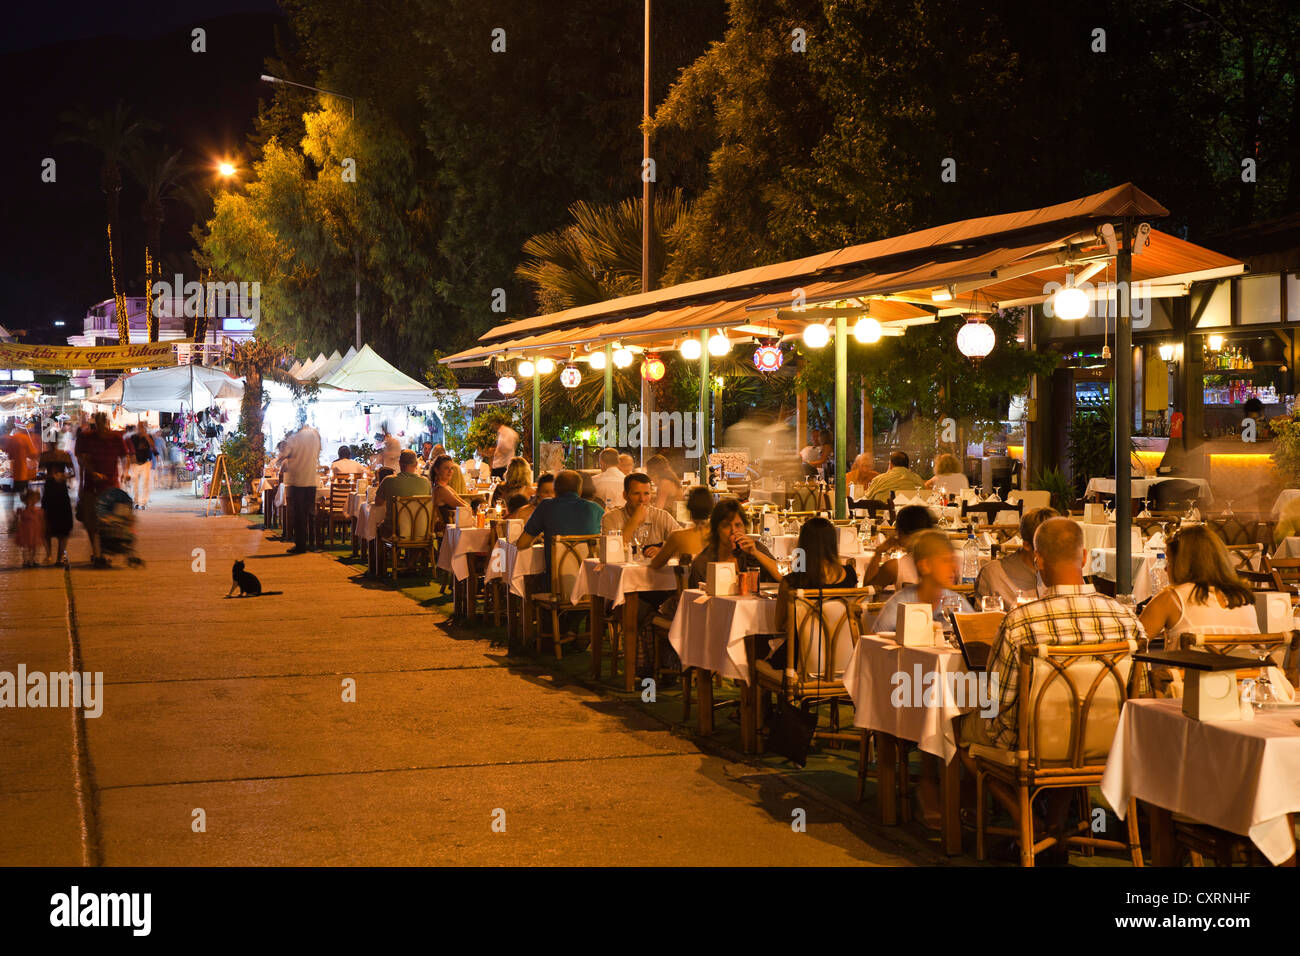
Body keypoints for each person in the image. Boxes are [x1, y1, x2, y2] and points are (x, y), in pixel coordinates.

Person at [1139, 524, 1258, 646]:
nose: (1165, 568)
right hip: (1244, 665)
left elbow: (1130, 647)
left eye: (1169, 561)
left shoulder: (1172, 598)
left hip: (1188, 665)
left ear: (1181, 564)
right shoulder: (1244, 599)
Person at [870, 531, 973, 632]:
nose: (954, 567)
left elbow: (978, 635)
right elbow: (872, 644)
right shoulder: (901, 603)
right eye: (945, 561)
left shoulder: (955, 603)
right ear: (925, 566)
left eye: (954, 560)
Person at [774, 516, 859, 633]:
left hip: (803, 649)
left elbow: (779, 626)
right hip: (845, 648)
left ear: (803, 544)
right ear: (833, 543)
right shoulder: (850, 575)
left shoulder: (792, 582)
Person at [517, 469, 604, 578]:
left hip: (555, 583)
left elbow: (521, 544)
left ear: (555, 491)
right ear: (580, 490)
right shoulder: (596, 509)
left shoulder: (546, 506)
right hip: (591, 581)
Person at [973, 507, 1058, 608]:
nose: (1054, 554)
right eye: (1046, 548)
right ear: (1026, 545)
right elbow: (984, 620)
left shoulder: (1065, 571)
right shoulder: (994, 574)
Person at [687, 498, 781, 589]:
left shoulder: (755, 548)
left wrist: (756, 553)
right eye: (726, 526)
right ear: (716, 530)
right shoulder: (703, 563)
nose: (733, 531)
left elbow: (783, 578)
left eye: (738, 525)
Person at [74, 412, 127, 567]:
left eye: (104, 422)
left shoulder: (116, 438)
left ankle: (102, 553)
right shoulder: (86, 437)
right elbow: (80, 458)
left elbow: (124, 457)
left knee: (108, 522)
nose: (102, 425)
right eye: (99, 422)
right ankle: (97, 553)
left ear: (107, 423)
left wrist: (125, 472)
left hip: (111, 485)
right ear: (95, 423)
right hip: (91, 486)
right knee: (91, 522)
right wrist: (92, 472)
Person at [600, 472, 680, 554]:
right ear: (625, 495)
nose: (642, 499)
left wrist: (663, 551)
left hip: (654, 566)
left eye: (646, 493)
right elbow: (611, 552)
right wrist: (634, 521)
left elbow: (683, 544)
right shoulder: (610, 518)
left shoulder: (662, 516)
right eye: (636, 493)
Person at [862, 504, 936, 590]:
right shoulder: (945, 561)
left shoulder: (895, 567)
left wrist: (878, 552)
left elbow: (867, 590)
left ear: (901, 531)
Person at [283, 422, 322, 554]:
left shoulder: (295, 438)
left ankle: (301, 545)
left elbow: (286, 454)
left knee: (299, 515)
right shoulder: (315, 436)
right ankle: (313, 543)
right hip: (311, 479)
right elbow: (318, 453)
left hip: (299, 480)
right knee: (311, 513)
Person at [375, 450, 433, 537]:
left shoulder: (388, 480)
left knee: (379, 526)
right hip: (420, 530)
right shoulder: (426, 482)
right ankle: (414, 550)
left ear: (399, 463)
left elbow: (378, 503)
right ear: (416, 464)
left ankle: (388, 551)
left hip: (395, 530)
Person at [39, 445, 74, 565]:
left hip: (58, 490)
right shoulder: (50, 456)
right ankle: (52, 556)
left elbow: (71, 472)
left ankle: (56, 556)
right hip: (53, 490)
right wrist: (57, 476)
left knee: (61, 525)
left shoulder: (57, 455)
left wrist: (61, 476)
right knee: (49, 524)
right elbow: (40, 473)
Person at [430, 455, 471, 531]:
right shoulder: (441, 490)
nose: (450, 471)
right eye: (446, 468)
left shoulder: (446, 487)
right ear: (437, 470)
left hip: (453, 529)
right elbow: (464, 507)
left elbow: (466, 506)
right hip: (448, 532)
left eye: (452, 468)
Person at [125, 420, 156, 509]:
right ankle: (136, 502)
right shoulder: (133, 437)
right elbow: (129, 450)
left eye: (142, 427)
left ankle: (143, 502)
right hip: (135, 463)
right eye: (139, 427)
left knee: (144, 483)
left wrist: (146, 436)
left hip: (145, 463)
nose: (140, 429)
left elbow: (153, 446)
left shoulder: (148, 436)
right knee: (135, 484)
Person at [16, 487, 44, 567]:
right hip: (26, 531)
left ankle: (34, 560)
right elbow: (19, 520)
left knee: (34, 547)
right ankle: (26, 560)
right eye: (30, 499)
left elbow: (41, 521)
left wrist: (42, 529)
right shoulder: (23, 511)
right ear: (25, 501)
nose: (31, 501)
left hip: (35, 531)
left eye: (34, 499)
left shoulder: (39, 510)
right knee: (26, 547)